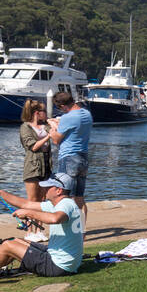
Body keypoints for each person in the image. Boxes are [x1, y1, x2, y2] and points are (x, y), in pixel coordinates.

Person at [0, 174, 84, 284]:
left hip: (58, 266)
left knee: (8, 246)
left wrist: (28, 213)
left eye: (48, 187)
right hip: (62, 261)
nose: (44, 189)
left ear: (58, 190)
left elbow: (55, 219)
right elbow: (25, 203)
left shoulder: (65, 204)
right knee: (13, 241)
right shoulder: (60, 203)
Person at [47, 91, 92, 220]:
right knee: (79, 198)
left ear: (62, 106)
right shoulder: (87, 114)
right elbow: (74, 128)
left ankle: (68, 228)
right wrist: (59, 123)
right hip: (83, 157)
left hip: (69, 158)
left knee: (64, 196)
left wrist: (52, 128)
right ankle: (81, 230)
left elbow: (56, 140)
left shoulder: (68, 117)